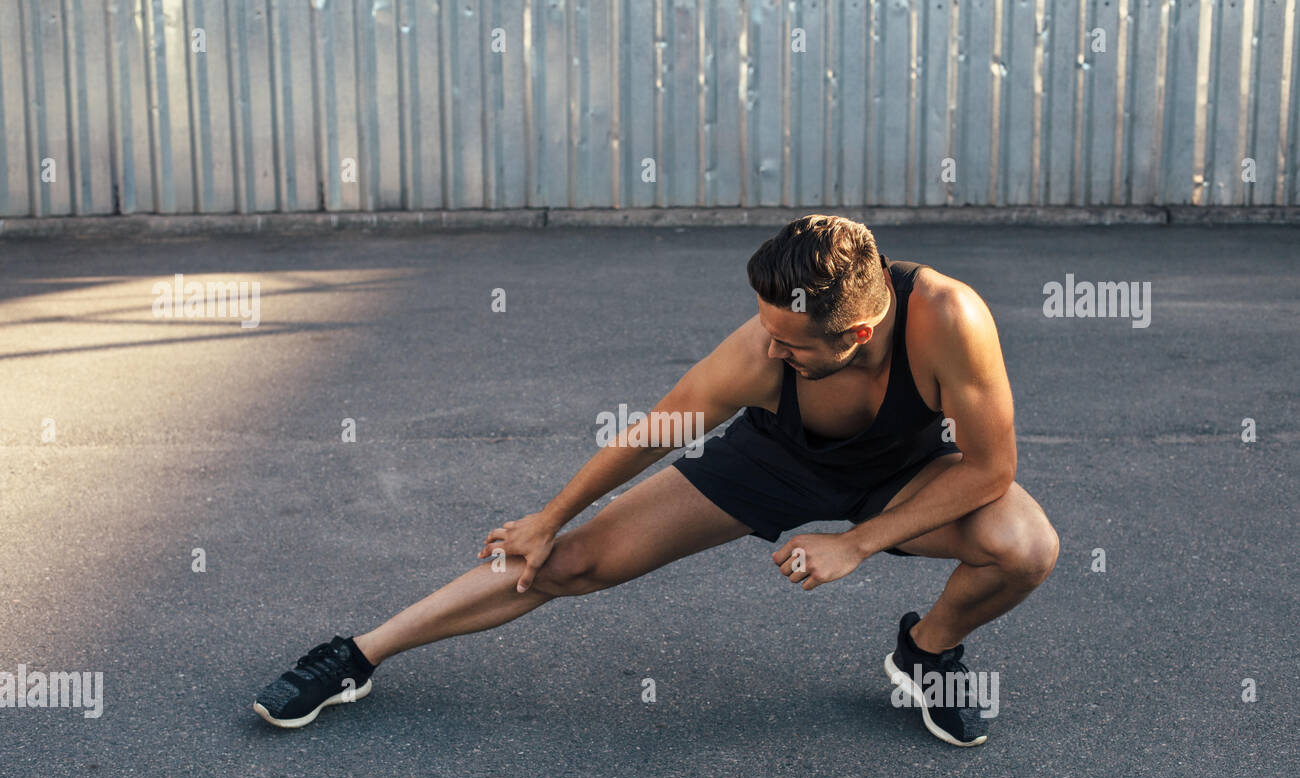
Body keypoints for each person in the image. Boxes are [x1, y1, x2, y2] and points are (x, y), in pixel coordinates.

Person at [254, 214, 1058, 746]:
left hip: (903, 479)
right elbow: (659, 431)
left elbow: (992, 468)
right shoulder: (758, 349)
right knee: (565, 563)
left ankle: (927, 654)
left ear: (858, 330)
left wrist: (856, 543)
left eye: (790, 344)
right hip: (773, 465)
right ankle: (358, 656)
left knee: (1024, 546)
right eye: (763, 326)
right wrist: (551, 514)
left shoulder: (950, 321)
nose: (766, 349)